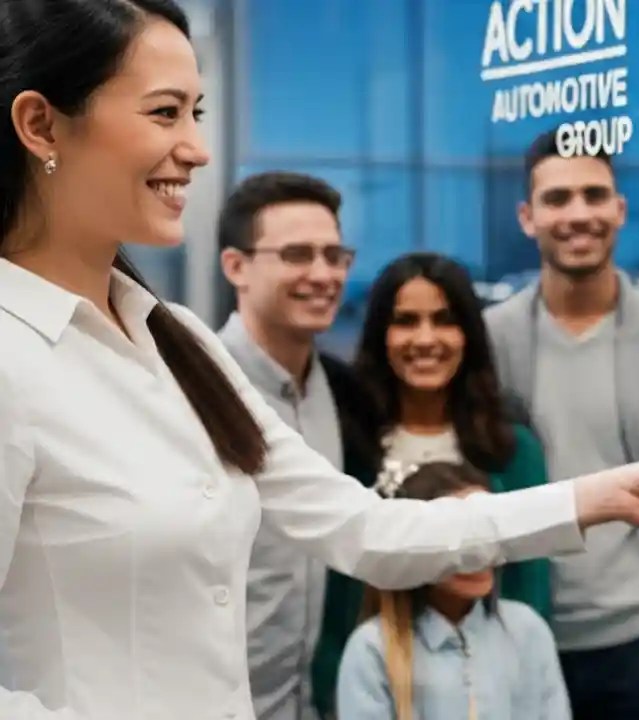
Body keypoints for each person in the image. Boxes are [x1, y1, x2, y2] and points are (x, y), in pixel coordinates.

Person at [0, 2, 639, 718]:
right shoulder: (12, 358)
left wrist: (596, 497)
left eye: (198, 113)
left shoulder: (175, 337)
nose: (197, 148)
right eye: (164, 113)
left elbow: (368, 530)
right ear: (40, 125)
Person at [484, 130, 639, 720]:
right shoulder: (490, 340)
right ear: (528, 217)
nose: (578, 214)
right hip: (517, 638)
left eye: (595, 195)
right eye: (557, 198)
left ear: (619, 210)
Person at [215, 170, 381, 720]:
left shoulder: (342, 393)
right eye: (297, 255)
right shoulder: (192, 390)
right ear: (235, 266)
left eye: (335, 255)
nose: (323, 274)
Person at [352, 252, 554, 621]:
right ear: (381, 334)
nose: (426, 339)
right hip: (367, 670)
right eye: (406, 321)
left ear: (468, 335)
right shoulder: (350, 448)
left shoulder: (514, 450)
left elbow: (532, 592)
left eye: (444, 320)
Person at [336, 462, 570, 720]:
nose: (477, 555)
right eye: (458, 540)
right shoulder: (371, 648)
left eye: (487, 534)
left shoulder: (527, 630)